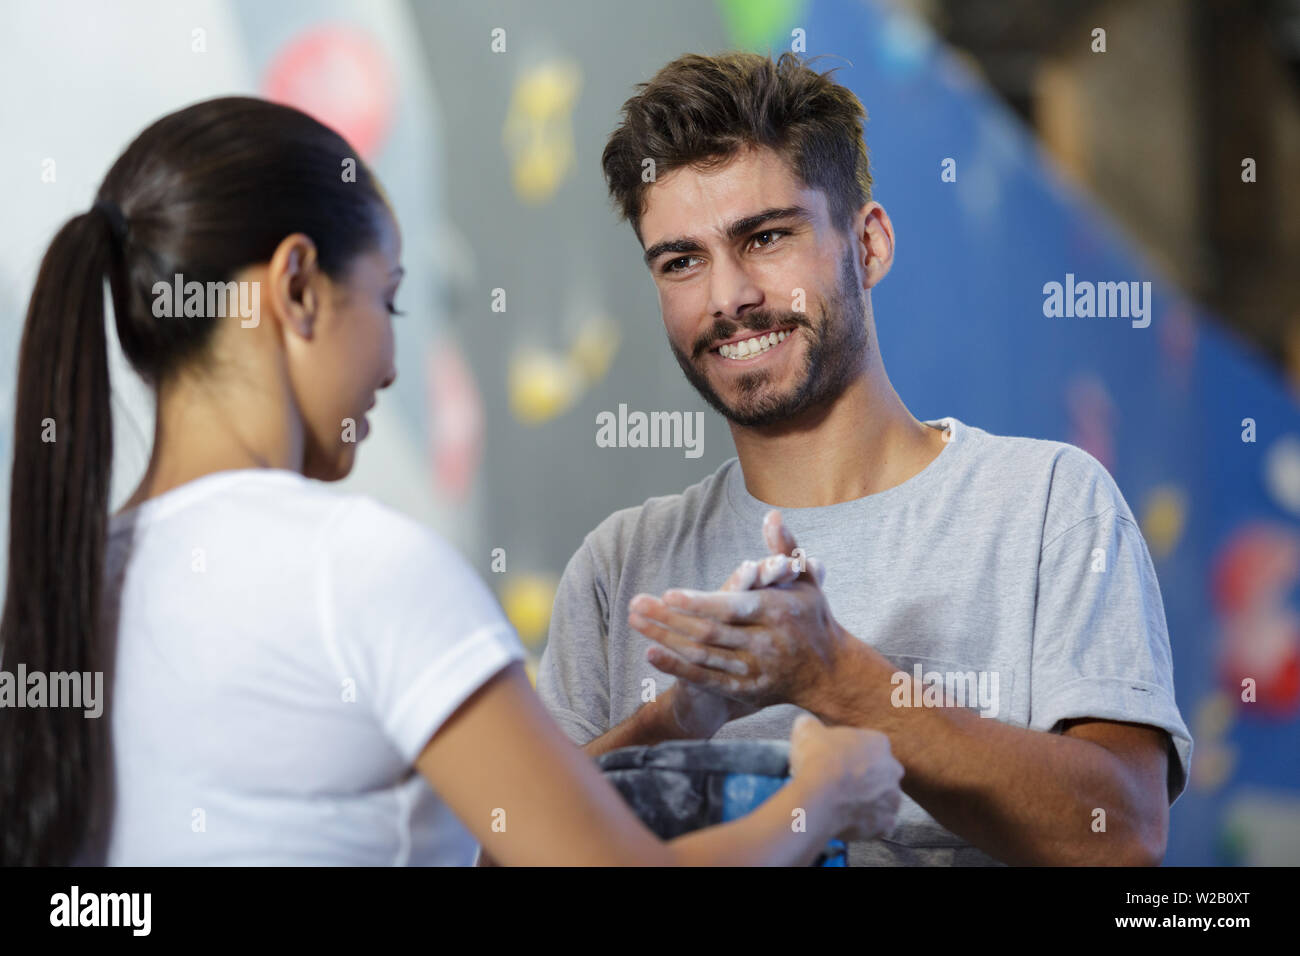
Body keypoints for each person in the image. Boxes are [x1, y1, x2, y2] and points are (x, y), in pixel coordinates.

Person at [0, 96, 904, 866]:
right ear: (298, 287)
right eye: (389, 300)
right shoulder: (354, 567)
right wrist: (819, 799)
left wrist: (675, 717)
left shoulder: (78, 578)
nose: (393, 365)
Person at [537, 52, 1194, 866]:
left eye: (767, 237)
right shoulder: (616, 568)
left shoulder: (1047, 504)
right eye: (681, 261)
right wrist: (675, 720)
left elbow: (1122, 835)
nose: (727, 297)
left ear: (870, 244)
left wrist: (834, 676)